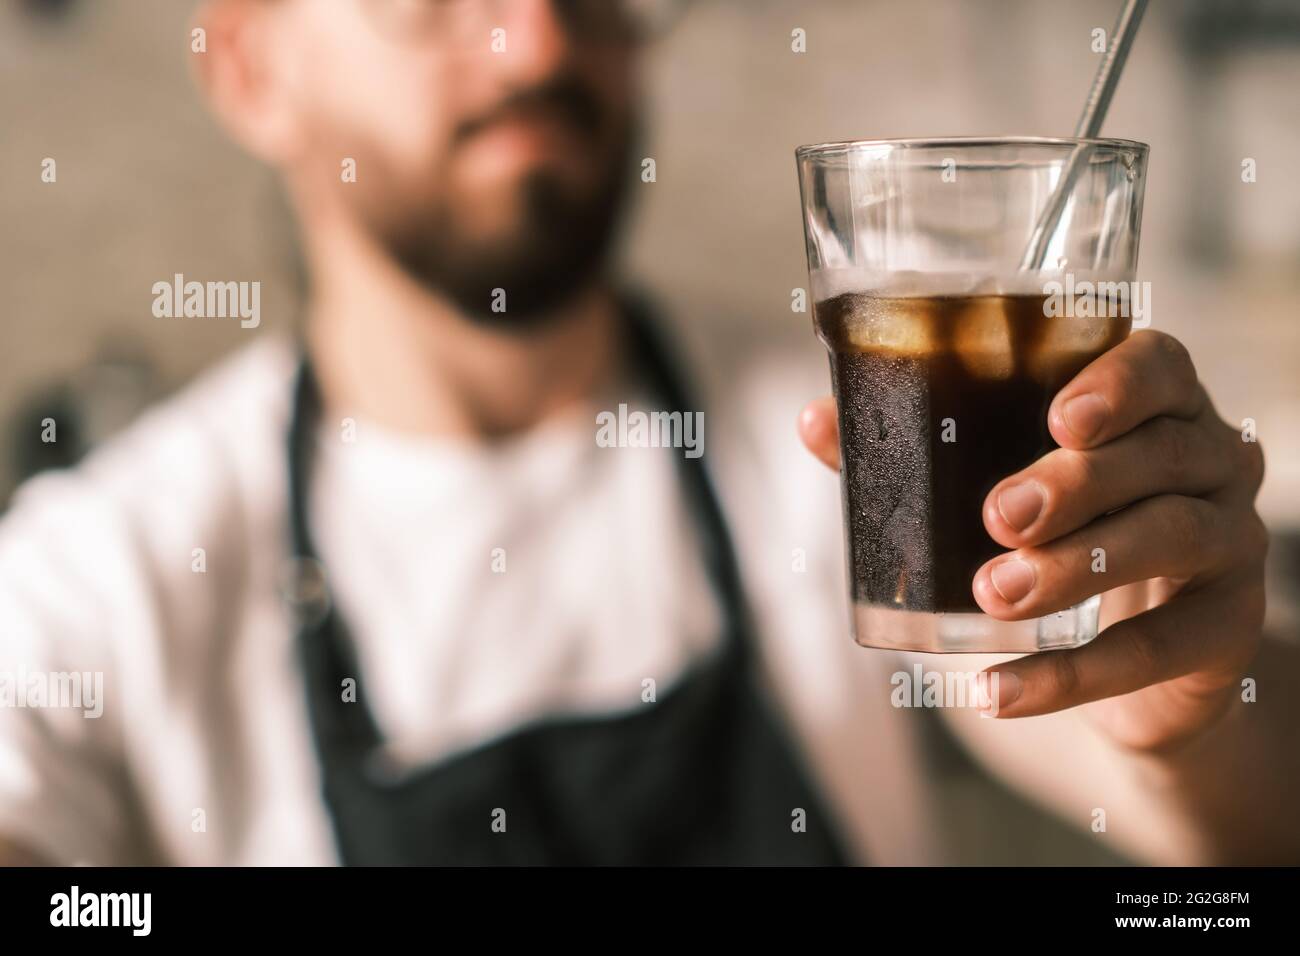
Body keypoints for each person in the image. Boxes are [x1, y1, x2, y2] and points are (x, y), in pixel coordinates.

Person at [0, 0, 1295, 865]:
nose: (539, 46)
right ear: (249, 67)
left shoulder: (859, 438)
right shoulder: (97, 576)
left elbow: (1227, 812)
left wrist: (1188, 717)